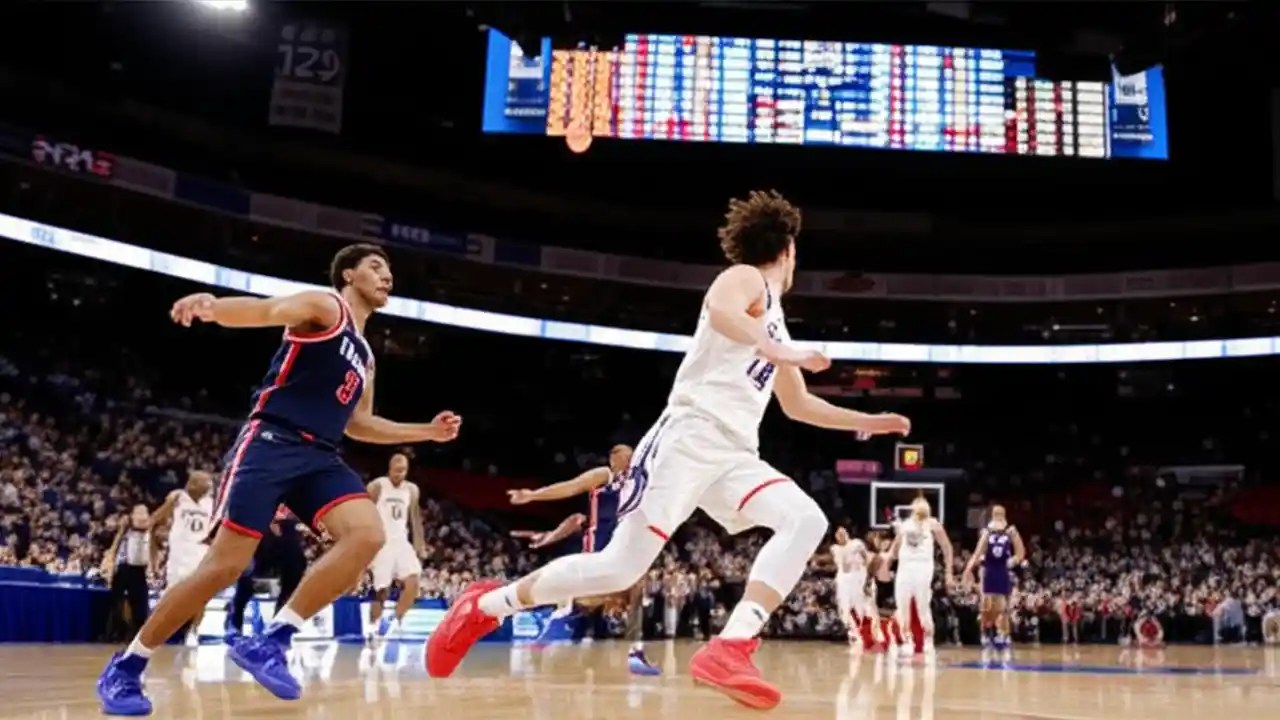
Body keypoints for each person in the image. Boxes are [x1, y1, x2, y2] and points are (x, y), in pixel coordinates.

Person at [426, 190, 910, 710]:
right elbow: (721, 310)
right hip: (687, 437)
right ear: (788, 249)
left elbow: (797, 405)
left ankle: (732, 644)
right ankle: (486, 605)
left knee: (804, 520)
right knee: (617, 569)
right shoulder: (746, 279)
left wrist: (869, 421)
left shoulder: (777, 323)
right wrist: (776, 348)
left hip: (734, 455)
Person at [96, 244, 462, 716]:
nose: (387, 275)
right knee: (223, 568)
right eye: (376, 267)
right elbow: (267, 310)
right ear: (348, 275)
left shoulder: (366, 355)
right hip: (272, 441)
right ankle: (126, 666)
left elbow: (359, 423)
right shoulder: (325, 307)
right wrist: (213, 307)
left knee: (367, 534)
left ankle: (274, 639)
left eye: (389, 269)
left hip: (321, 456)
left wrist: (426, 432)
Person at [506, 444, 661, 675]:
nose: (630, 461)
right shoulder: (604, 476)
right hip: (599, 550)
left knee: (636, 588)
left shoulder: (637, 486)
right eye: (625, 456)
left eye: (633, 457)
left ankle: (634, 652)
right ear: (613, 459)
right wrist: (532, 495)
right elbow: (571, 487)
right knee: (592, 599)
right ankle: (564, 613)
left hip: (622, 549)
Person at [366, 453, 427, 643]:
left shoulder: (412, 490)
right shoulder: (377, 486)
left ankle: (392, 620)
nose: (399, 474)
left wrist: (420, 544)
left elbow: (415, 518)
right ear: (390, 468)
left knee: (414, 581)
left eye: (403, 470)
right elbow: (365, 513)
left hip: (401, 541)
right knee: (381, 590)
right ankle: (372, 627)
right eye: (396, 470)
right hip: (382, 542)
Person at [149, 470, 215, 645]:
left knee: (201, 595)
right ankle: (156, 630)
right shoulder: (178, 497)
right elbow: (156, 518)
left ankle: (193, 631)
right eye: (205, 482)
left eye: (209, 482)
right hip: (179, 552)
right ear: (192, 484)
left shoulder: (211, 503)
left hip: (201, 552)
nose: (209, 486)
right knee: (171, 595)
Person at [226, 505, 309, 640]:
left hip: (287, 528)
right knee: (246, 574)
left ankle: (278, 623)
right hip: (260, 527)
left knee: (295, 569)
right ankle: (234, 622)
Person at [886, 497, 954, 658]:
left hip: (923, 566)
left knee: (922, 604)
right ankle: (908, 640)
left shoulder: (933, 524)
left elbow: (947, 548)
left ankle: (927, 640)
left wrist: (948, 572)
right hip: (905, 567)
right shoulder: (905, 526)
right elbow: (894, 551)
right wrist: (886, 563)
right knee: (902, 604)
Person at [961, 504, 1025, 664]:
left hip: (1002, 569)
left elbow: (1021, 551)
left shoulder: (1011, 530)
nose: (997, 515)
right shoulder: (987, 532)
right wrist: (968, 569)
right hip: (989, 569)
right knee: (988, 603)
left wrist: (1014, 560)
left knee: (1003, 604)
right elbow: (978, 552)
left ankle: (1002, 634)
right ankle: (988, 631)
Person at [101, 504, 154, 642]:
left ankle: (137, 635)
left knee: (140, 603)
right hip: (124, 566)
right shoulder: (127, 525)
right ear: (133, 515)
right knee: (116, 602)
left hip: (140, 568)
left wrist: (153, 565)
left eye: (145, 512)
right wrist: (111, 554)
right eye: (139, 512)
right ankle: (113, 633)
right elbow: (118, 539)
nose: (143, 515)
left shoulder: (150, 527)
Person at [830, 527, 870, 646]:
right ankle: (852, 632)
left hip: (857, 576)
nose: (841, 535)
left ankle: (864, 630)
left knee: (859, 603)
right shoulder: (834, 548)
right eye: (838, 534)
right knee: (844, 605)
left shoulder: (857, 544)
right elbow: (837, 563)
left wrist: (866, 576)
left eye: (843, 533)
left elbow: (866, 558)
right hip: (843, 578)